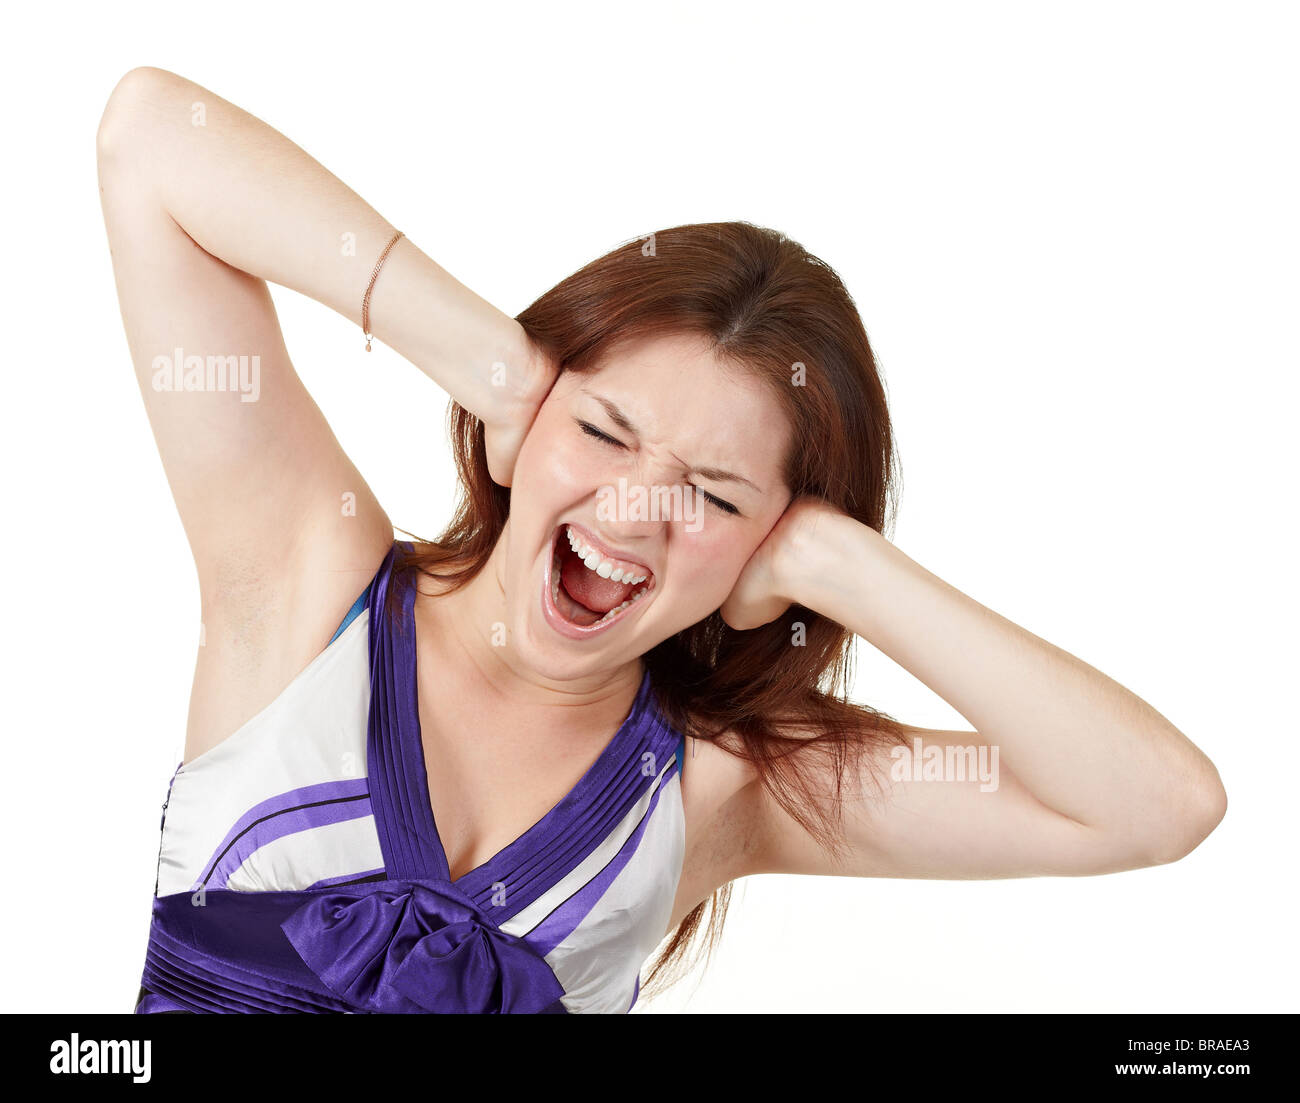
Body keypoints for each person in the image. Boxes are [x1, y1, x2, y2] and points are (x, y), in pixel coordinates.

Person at [97, 67, 1227, 1014]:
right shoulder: (304, 583)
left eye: (716, 496)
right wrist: (490, 359)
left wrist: (839, 568)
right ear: (521, 425)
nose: (633, 510)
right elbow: (150, 138)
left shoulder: (724, 785)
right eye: (602, 428)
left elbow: (1157, 803)